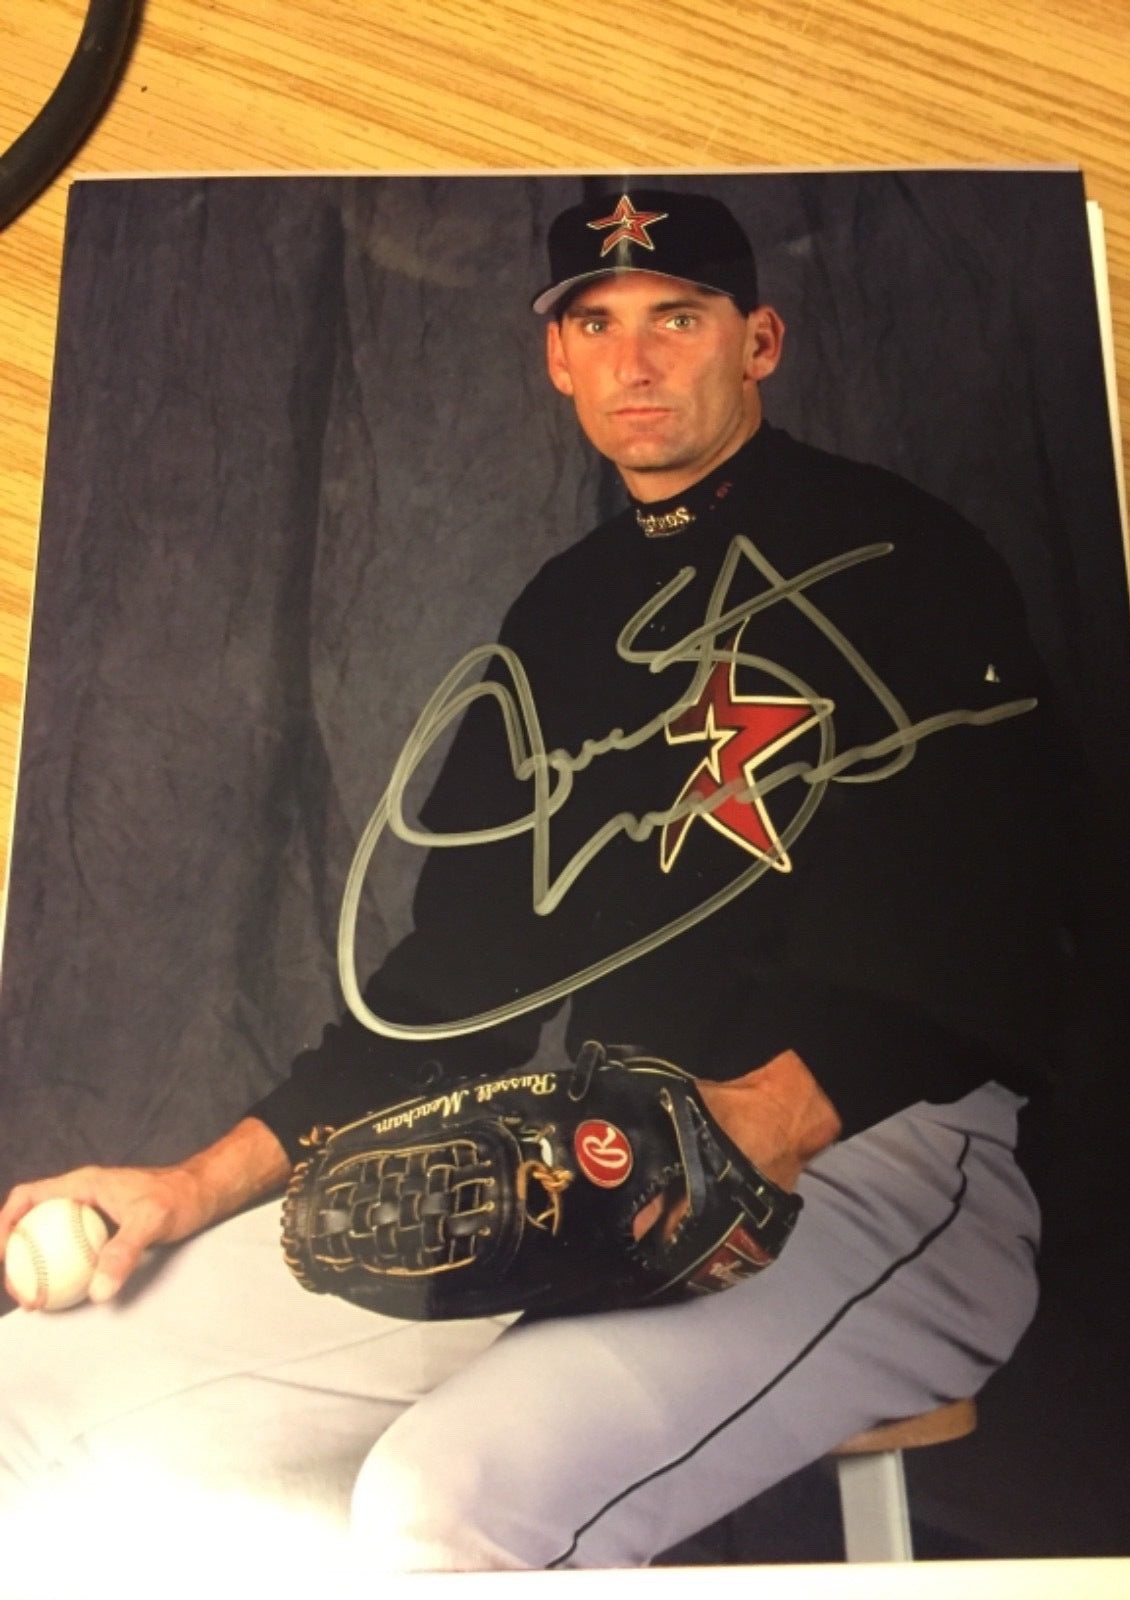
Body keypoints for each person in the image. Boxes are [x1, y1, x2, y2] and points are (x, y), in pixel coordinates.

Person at [0, 189, 1058, 1577]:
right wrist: (192, 1186)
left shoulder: (901, 555)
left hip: (884, 1169)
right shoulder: (561, 615)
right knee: (30, 1391)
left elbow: (1001, 925)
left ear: (759, 340)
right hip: (586, 1161)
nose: (636, 361)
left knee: (446, 1505)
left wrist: (746, 1123)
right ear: (557, 358)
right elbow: (454, 987)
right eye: (595, 324)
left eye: (677, 317)